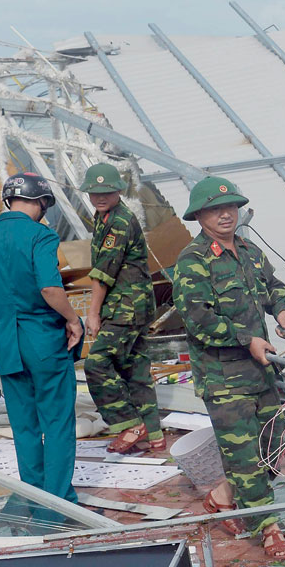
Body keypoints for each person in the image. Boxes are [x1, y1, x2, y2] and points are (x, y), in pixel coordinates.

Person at [172, 176, 285, 559]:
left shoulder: (249, 250)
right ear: (199, 216)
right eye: (214, 209)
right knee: (244, 456)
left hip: (262, 372)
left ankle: (223, 495)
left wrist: (284, 311)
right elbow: (197, 319)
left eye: (231, 207)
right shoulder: (192, 261)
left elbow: (274, 285)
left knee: (273, 445)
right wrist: (248, 339)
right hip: (224, 378)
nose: (225, 214)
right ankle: (268, 528)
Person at [0, 172, 85, 503]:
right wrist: (73, 320)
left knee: (25, 426)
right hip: (43, 341)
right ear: (42, 203)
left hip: (7, 345)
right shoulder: (40, 236)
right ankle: (60, 503)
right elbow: (49, 287)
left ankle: (35, 499)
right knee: (57, 421)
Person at [78, 162, 163, 455]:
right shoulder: (106, 216)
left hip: (126, 307)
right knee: (136, 369)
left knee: (97, 362)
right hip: (132, 305)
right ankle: (154, 434)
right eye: (94, 192)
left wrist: (93, 313)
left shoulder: (118, 222)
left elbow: (104, 272)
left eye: (107, 191)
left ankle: (130, 423)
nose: (100, 197)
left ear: (118, 191)